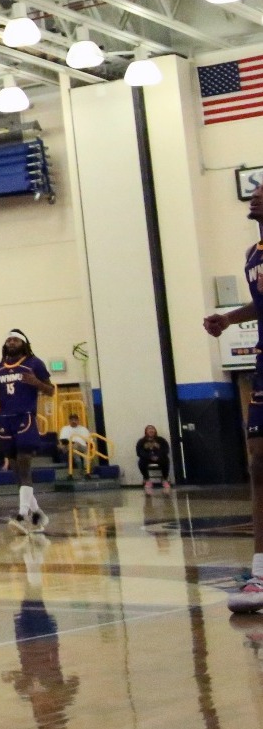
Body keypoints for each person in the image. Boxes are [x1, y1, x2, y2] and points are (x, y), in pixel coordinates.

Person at [201, 184, 263, 613]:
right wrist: (229, 316)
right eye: (255, 192)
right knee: (258, 464)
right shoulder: (252, 254)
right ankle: (260, 575)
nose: (255, 196)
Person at [0, 329, 56, 536]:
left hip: (25, 417)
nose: (12, 342)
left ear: (23, 343)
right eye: (9, 339)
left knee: (24, 466)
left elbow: (51, 390)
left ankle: (22, 516)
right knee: (16, 472)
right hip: (5, 420)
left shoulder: (34, 363)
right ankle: (37, 513)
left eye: (15, 339)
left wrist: (36, 383)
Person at [135, 425, 171, 491]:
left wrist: (158, 456)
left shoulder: (161, 440)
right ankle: (147, 480)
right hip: (147, 458)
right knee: (141, 462)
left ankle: (165, 479)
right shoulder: (141, 441)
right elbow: (139, 452)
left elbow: (166, 450)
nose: (151, 430)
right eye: (149, 429)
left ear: (155, 431)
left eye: (152, 429)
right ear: (146, 431)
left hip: (159, 457)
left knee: (166, 460)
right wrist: (150, 457)